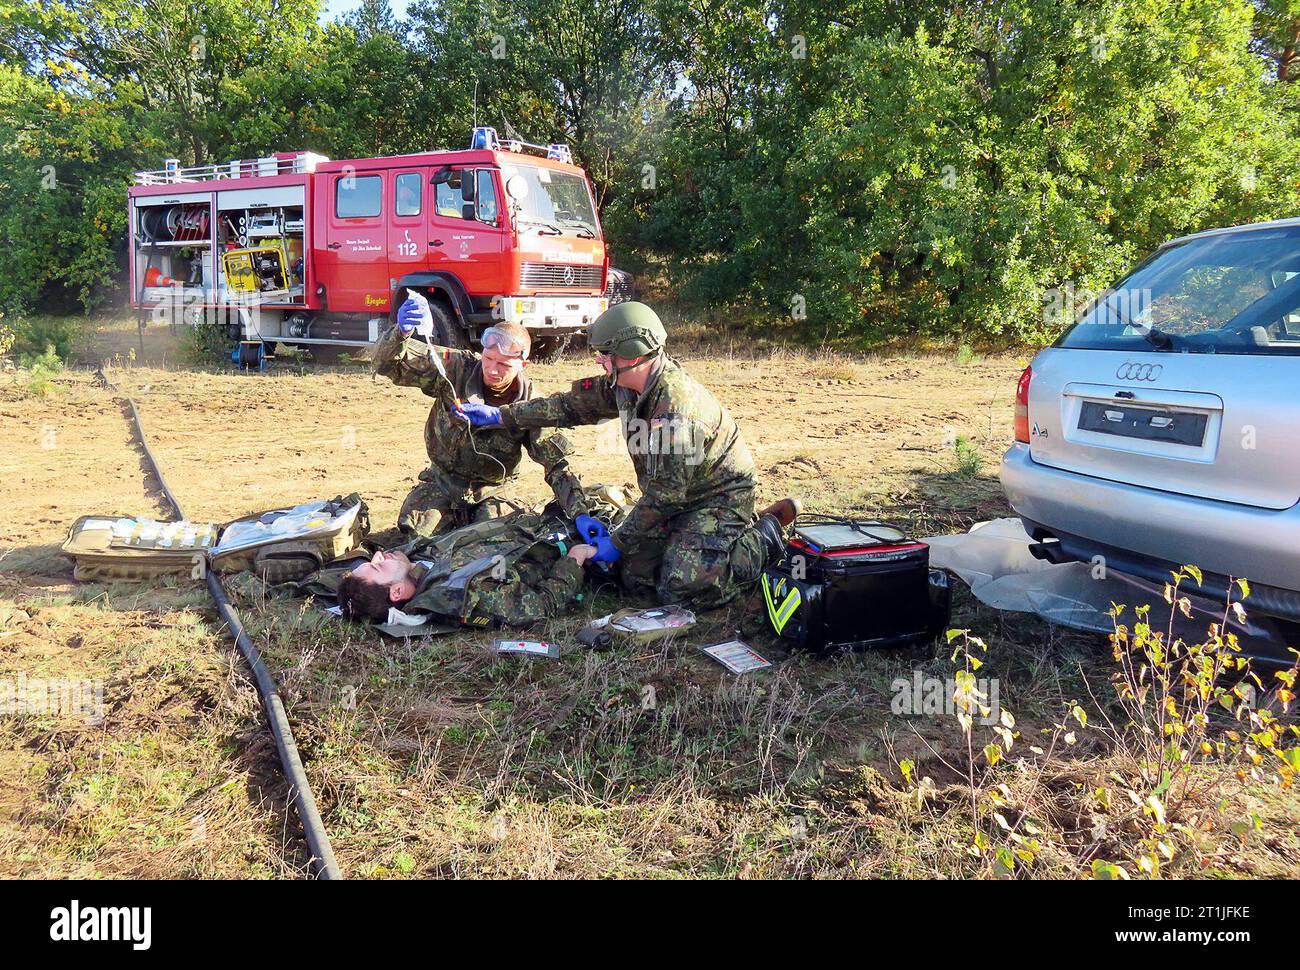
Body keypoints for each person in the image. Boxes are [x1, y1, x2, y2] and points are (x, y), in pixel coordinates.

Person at [458, 301, 799, 609]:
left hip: (717, 498)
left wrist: (617, 541)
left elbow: (666, 495)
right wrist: (504, 415)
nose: (598, 360)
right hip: (676, 497)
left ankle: (762, 537)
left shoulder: (677, 413)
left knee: (683, 588)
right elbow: (568, 406)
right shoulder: (627, 382)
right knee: (634, 578)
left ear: (632, 354)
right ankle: (701, 545)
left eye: (605, 353)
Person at [373, 293, 587, 538]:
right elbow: (386, 364)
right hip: (442, 483)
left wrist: (580, 512)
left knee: (491, 547)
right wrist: (401, 332)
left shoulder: (533, 404)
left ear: (523, 365)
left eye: (504, 365)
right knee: (414, 541)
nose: (492, 370)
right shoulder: (455, 368)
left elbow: (558, 466)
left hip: (493, 492)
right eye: (488, 359)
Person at [301, 485, 635, 628]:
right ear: (397, 593)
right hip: (571, 539)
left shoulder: (419, 565)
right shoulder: (463, 595)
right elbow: (543, 605)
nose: (378, 557)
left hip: (537, 519)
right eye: (377, 567)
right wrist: (575, 558)